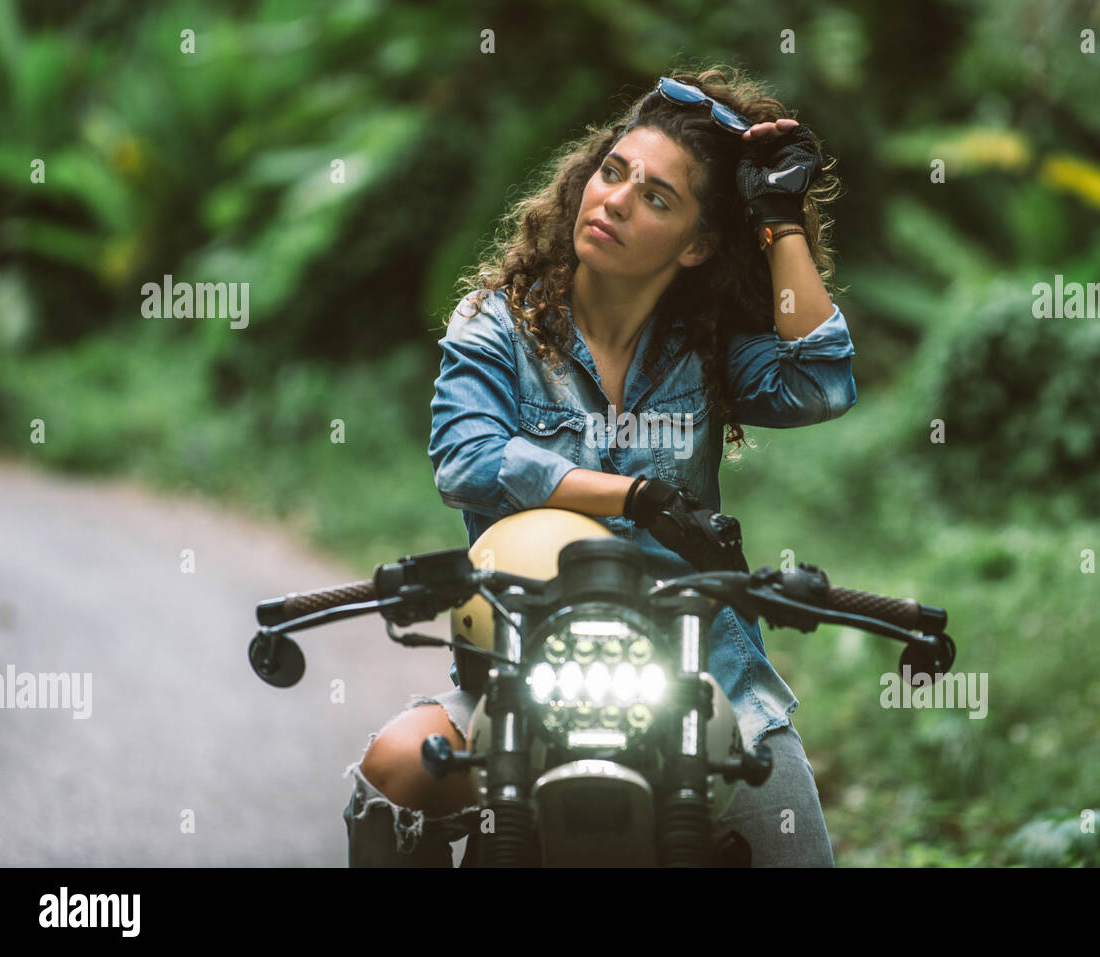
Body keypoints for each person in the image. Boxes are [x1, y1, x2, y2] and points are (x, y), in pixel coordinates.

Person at [342, 65, 857, 867]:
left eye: (656, 197)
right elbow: (467, 457)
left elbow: (819, 381)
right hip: (524, 670)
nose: (615, 199)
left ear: (696, 244)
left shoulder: (705, 345)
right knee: (396, 767)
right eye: (613, 172)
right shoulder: (497, 323)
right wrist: (637, 497)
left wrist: (779, 218)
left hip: (699, 674)